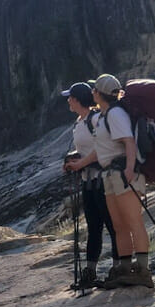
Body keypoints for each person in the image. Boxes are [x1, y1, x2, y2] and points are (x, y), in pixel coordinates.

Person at [72, 73, 152, 287]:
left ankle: (143, 270)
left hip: (122, 173)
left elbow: (128, 141)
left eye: (94, 90)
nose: (92, 93)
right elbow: (100, 150)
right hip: (110, 174)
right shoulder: (103, 116)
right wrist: (78, 164)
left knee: (132, 221)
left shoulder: (116, 115)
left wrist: (129, 168)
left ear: (99, 93)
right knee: (119, 225)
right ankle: (124, 269)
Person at [60, 81, 117, 289]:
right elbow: (86, 149)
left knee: (111, 225)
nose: (68, 101)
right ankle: (91, 271)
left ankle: (118, 269)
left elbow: (102, 148)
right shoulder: (81, 122)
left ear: (76, 100)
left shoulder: (94, 120)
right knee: (94, 226)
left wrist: (80, 163)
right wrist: (73, 160)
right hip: (88, 180)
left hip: (103, 179)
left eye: (70, 97)